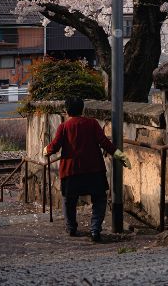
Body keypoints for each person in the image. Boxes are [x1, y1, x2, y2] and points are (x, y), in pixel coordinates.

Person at [44, 96, 116, 242]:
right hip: (94, 169)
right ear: (82, 109)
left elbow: (56, 145)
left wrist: (46, 150)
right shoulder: (92, 123)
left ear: (66, 110)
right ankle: (95, 229)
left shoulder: (64, 127)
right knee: (99, 199)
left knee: (69, 201)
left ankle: (71, 228)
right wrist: (118, 153)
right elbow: (104, 142)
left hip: (71, 171)